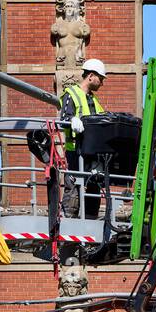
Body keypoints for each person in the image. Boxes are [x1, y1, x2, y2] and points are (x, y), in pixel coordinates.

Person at [60, 59, 107, 219]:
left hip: (92, 154)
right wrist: (72, 120)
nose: (102, 83)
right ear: (91, 76)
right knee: (73, 189)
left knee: (94, 187)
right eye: (100, 79)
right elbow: (64, 118)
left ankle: (91, 222)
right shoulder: (71, 93)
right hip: (75, 152)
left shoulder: (95, 101)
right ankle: (68, 223)